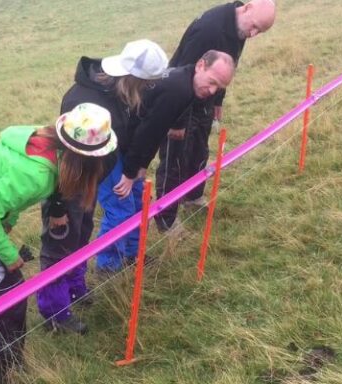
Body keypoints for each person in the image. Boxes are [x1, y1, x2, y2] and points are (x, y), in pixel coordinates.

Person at [0, 103, 117, 383]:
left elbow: (7, 190)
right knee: (8, 295)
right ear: (85, 160)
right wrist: (9, 256)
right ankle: (3, 369)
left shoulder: (44, 142)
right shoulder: (37, 175)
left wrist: (8, 220)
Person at [36, 39, 169, 334]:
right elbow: (64, 158)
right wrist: (57, 205)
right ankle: (54, 312)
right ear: (133, 79)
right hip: (70, 185)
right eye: (146, 84)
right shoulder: (82, 101)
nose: (147, 91)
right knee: (60, 246)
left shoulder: (117, 93)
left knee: (81, 235)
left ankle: (74, 289)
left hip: (91, 180)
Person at [96, 49, 236, 273]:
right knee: (120, 208)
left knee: (140, 204)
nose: (212, 91)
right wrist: (131, 172)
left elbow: (155, 131)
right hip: (113, 148)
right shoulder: (177, 90)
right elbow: (147, 132)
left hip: (130, 148)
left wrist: (141, 167)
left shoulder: (187, 82)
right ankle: (108, 267)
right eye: (211, 82)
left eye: (218, 87)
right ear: (200, 65)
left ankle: (132, 254)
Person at [155, 0, 276, 231]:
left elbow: (227, 66)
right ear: (247, 8)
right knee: (174, 160)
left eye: (260, 31)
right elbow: (181, 76)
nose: (253, 34)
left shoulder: (239, 29)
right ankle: (165, 219)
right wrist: (177, 121)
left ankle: (192, 196)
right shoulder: (209, 30)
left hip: (205, 100)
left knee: (199, 151)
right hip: (180, 104)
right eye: (255, 27)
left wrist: (217, 100)